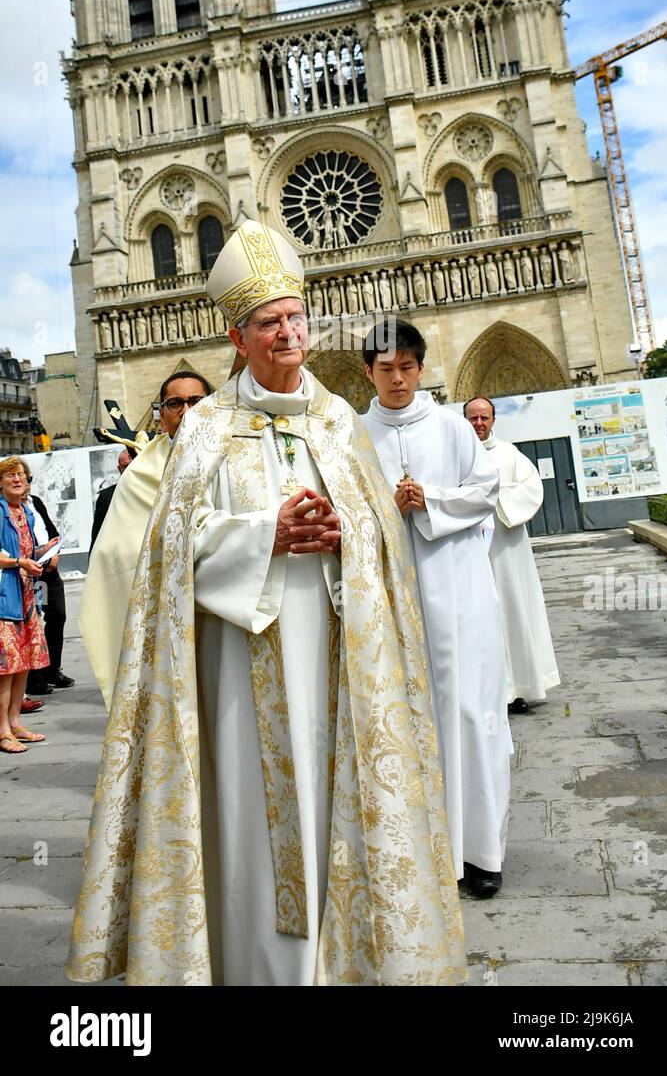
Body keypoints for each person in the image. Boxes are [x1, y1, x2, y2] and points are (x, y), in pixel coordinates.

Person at [67, 220, 464, 988]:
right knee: (246, 822)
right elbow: (169, 555)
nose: (288, 333)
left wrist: (344, 531)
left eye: (294, 318)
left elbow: (383, 541)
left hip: (337, 667)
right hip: (236, 677)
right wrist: (263, 536)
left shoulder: (339, 424)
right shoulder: (205, 430)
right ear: (237, 336)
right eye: (268, 323)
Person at [362, 321, 512, 901]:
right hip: (390, 597)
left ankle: (482, 851)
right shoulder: (353, 435)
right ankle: (425, 852)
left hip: (458, 592)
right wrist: (385, 503)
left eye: (406, 367)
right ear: (369, 373)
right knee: (405, 721)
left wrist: (431, 501)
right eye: (384, 369)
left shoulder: (452, 427)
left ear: (420, 368)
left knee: (470, 717)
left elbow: (485, 489)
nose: (396, 379)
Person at [80, 371, 214, 711]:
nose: (186, 410)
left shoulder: (242, 454)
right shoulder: (140, 475)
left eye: (196, 401)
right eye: (175, 403)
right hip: (169, 611)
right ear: (161, 414)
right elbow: (116, 552)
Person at [464, 396, 561, 713]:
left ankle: (518, 687)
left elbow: (531, 489)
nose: (478, 423)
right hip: (469, 548)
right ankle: (486, 690)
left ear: (493, 420)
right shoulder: (456, 456)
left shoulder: (509, 454)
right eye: (472, 418)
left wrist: (492, 502)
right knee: (476, 618)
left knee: (513, 611)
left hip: (506, 547)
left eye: (484, 418)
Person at [0, 457, 55, 752]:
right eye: (10, 475)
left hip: (25, 595)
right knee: (6, 667)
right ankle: (2, 730)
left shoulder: (26, 512)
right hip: (3, 597)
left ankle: (16, 722)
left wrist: (45, 550)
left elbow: (27, 549)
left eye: (20, 474)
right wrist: (20, 561)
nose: (17, 479)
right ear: (0, 482)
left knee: (22, 665)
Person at [21, 461, 74, 693]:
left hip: (49, 570)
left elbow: (53, 533)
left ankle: (52, 669)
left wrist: (55, 554)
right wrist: (40, 553)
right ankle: (35, 676)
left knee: (57, 616)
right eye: (20, 478)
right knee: (33, 622)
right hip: (30, 572)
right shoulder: (9, 509)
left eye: (28, 479)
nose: (25, 484)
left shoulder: (37, 503)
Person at [89, 448, 132, 553]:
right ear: (119, 469)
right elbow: (98, 533)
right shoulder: (107, 496)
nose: (130, 469)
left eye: (133, 464)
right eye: (126, 466)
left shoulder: (153, 490)